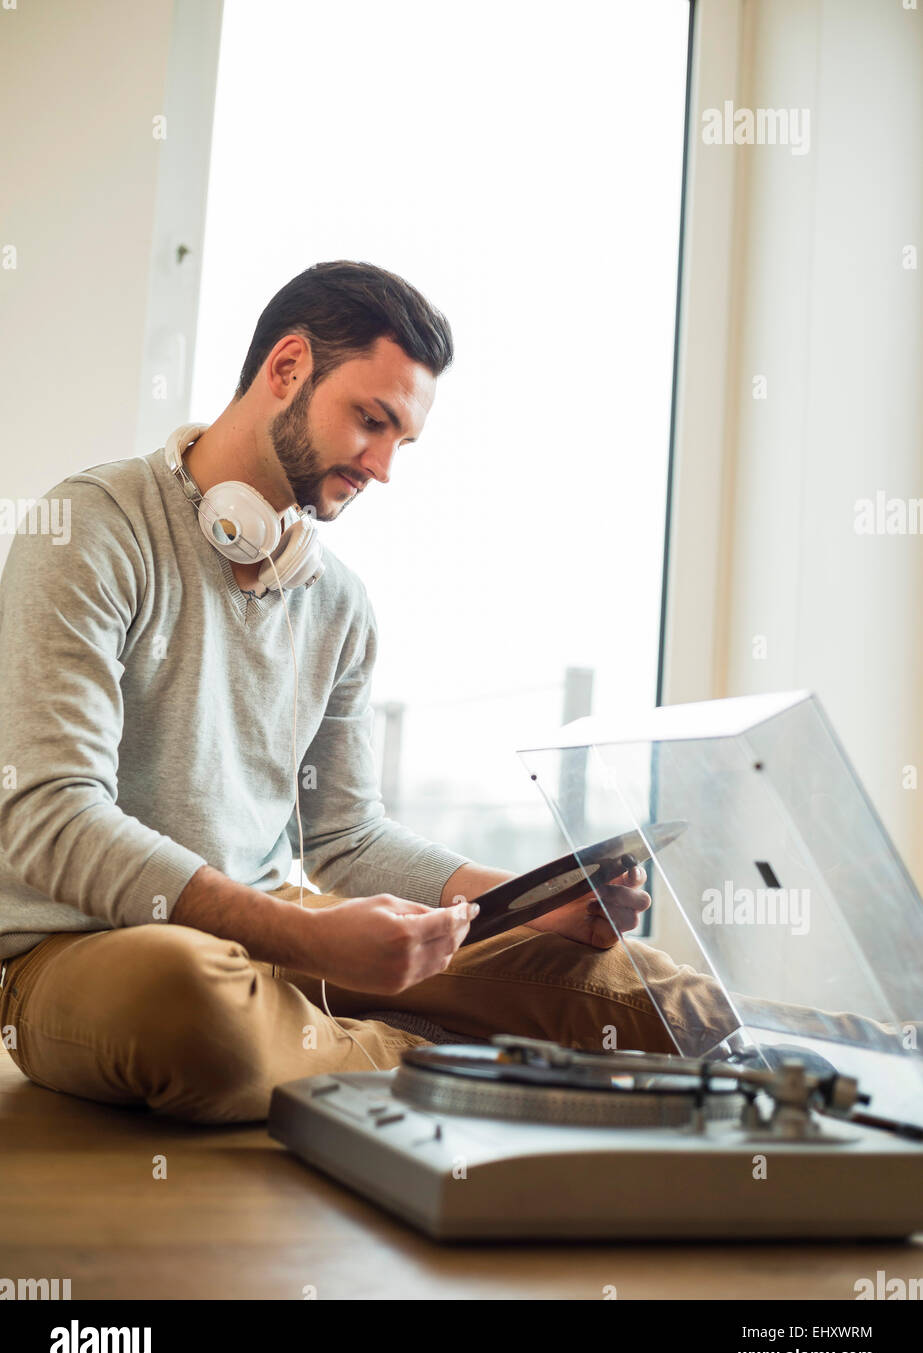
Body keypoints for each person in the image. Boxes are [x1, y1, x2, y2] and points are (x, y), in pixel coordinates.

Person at [0, 261, 778, 1125]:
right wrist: (299, 935)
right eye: (370, 422)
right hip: (84, 951)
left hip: (276, 930)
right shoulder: (91, 530)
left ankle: (359, 1049)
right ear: (287, 369)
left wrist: (525, 901)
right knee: (187, 1007)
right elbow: (49, 814)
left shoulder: (338, 602)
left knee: (658, 1000)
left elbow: (343, 835)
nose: (381, 466)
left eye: (400, 441)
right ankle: (465, 1066)